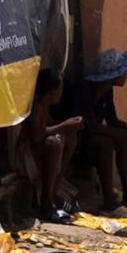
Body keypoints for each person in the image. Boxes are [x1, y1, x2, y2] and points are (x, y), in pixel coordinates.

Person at [57, 48, 127, 214]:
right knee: (105, 142)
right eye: (123, 71)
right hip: (75, 145)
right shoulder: (83, 90)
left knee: (122, 139)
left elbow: (113, 121)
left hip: (89, 140)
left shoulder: (106, 92)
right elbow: (90, 126)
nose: (126, 75)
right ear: (112, 75)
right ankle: (109, 201)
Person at [16, 75, 84, 223]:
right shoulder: (36, 106)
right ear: (50, 92)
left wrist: (68, 127)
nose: (61, 93)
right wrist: (64, 125)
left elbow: (52, 127)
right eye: (59, 89)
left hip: (35, 151)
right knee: (54, 143)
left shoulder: (45, 107)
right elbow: (37, 135)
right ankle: (46, 203)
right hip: (24, 154)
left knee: (69, 136)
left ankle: (56, 182)